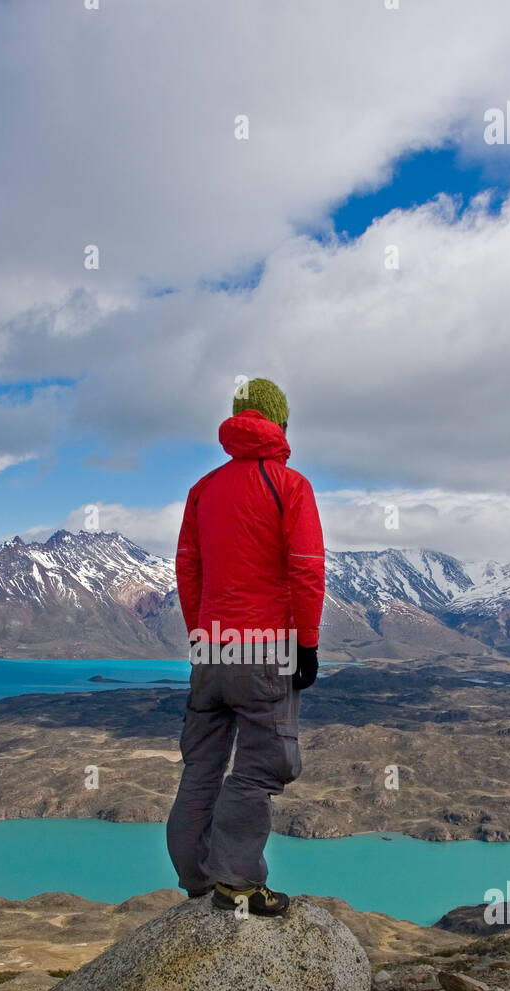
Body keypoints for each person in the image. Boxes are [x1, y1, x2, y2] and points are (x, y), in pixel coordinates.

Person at [166, 377, 325, 917]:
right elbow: (306, 571)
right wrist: (306, 645)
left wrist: (202, 633)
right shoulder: (290, 486)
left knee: (202, 765)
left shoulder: (203, 489)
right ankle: (236, 882)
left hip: (212, 649)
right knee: (263, 765)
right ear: (279, 423)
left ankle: (195, 876)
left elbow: (188, 570)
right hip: (266, 649)